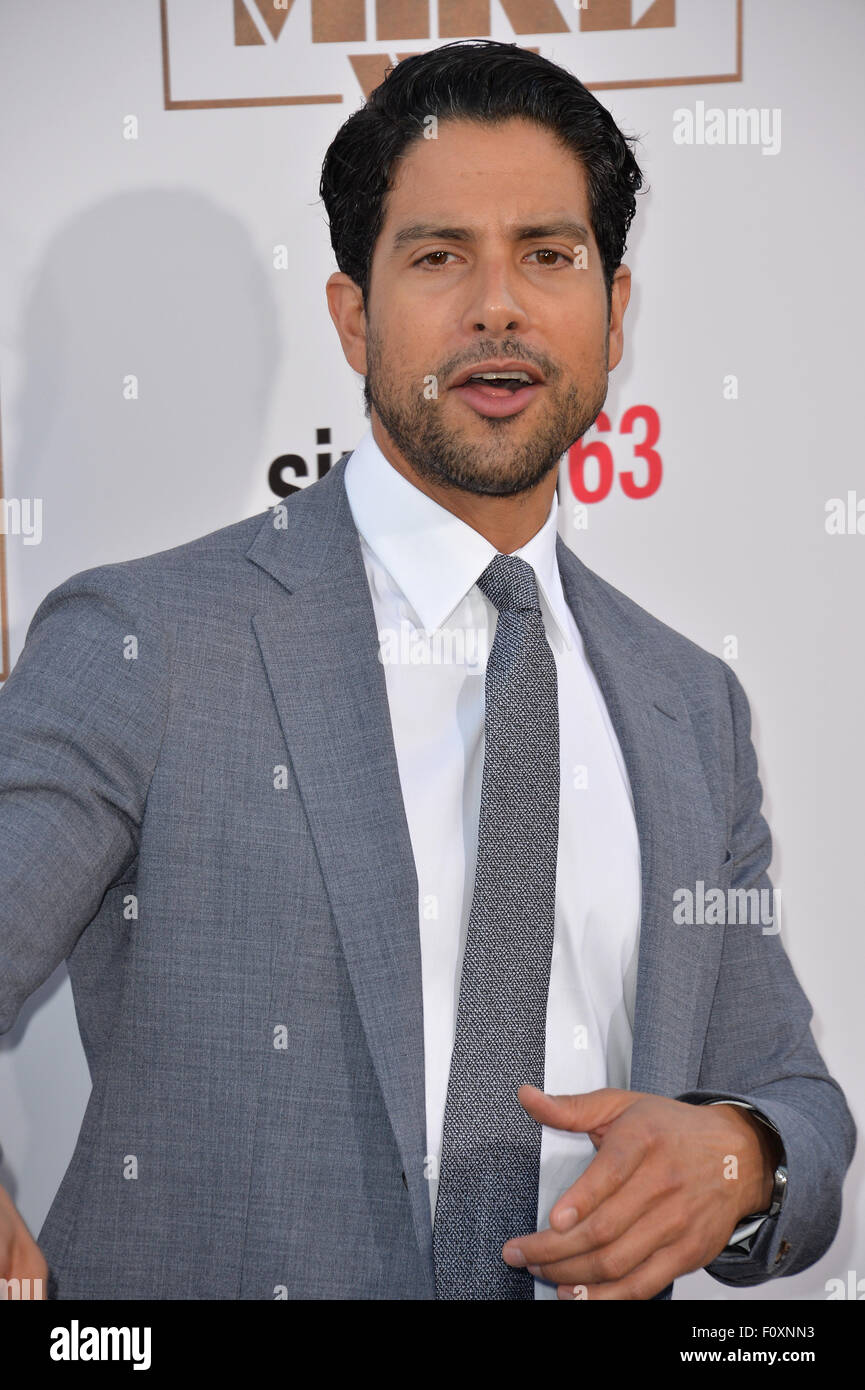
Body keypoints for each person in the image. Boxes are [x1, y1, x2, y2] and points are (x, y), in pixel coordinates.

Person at [0, 40, 854, 1302]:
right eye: (440, 255)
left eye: (547, 256)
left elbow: (794, 1094)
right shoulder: (147, 638)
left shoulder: (689, 707)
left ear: (617, 314)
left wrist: (741, 1154)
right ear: (354, 313)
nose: (498, 306)